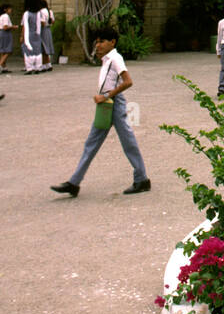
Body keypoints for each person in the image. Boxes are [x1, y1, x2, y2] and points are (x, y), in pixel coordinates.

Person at [50, 25, 150, 197]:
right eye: (97, 42)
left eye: (102, 42)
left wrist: (106, 96)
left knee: (128, 141)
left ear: (113, 42)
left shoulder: (115, 58)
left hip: (113, 103)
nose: (98, 45)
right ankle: (74, 182)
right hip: (106, 104)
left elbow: (128, 81)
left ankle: (141, 179)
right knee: (91, 143)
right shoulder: (106, 59)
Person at [20, 5, 44, 73]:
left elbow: (24, 26)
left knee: (28, 51)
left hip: (28, 34)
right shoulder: (38, 13)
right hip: (37, 34)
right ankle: (38, 67)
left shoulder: (27, 14)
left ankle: (29, 67)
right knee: (38, 51)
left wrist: (22, 36)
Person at [38, 0, 55, 69]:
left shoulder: (41, 12)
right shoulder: (50, 11)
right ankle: (48, 63)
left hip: (43, 30)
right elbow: (53, 21)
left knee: (43, 47)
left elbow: (42, 22)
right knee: (47, 45)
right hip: (48, 29)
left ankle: (43, 64)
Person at [0, 4, 13, 73]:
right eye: (10, 9)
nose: (11, 10)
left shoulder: (1, 16)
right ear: (6, 9)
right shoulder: (5, 16)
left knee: (3, 50)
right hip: (5, 34)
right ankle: (1, 64)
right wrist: (13, 27)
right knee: (8, 50)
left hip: (1, 33)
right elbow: (5, 27)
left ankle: (4, 67)